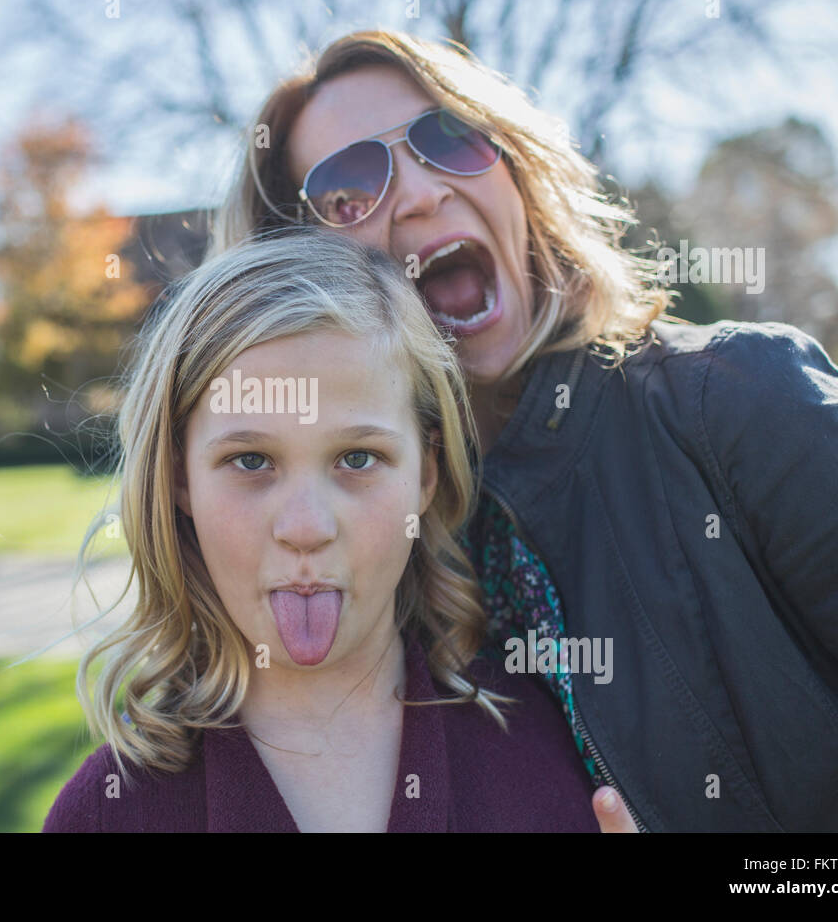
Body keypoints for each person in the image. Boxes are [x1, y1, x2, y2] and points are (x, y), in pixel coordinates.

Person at [207, 28, 838, 831]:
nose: (420, 193)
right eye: (349, 188)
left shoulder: (744, 401)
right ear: (300, 271)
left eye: (451, 137)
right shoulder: (377, 550)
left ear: (515, 167)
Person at [42, 229, 601, 832]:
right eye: (251, 462)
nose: (306, 528)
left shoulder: (549, 755)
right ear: (180, 480)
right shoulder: (106, 813)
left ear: (426, 474)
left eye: (357, 459)